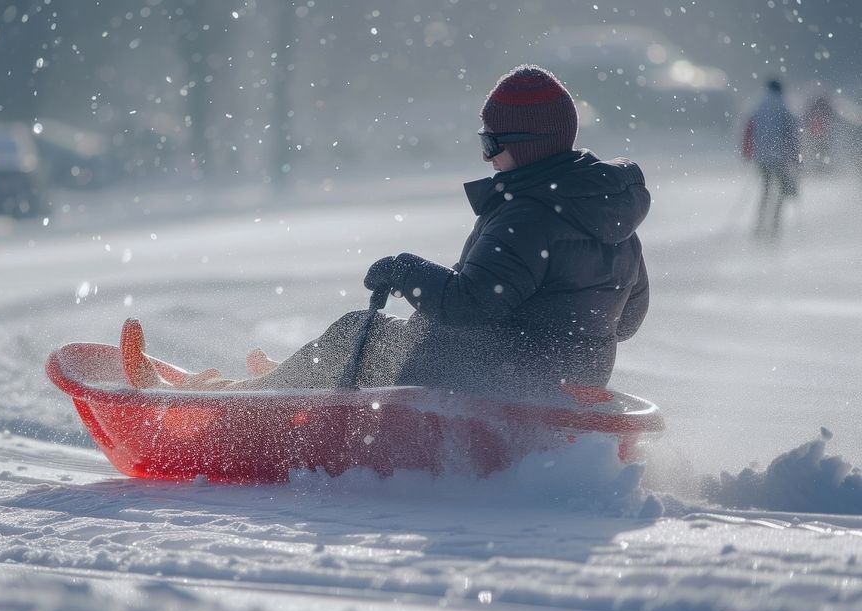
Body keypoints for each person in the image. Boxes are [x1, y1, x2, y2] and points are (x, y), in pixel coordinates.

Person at [122, 65, 650, 395]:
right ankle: (286, 380)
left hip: (505, 382)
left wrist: (406, 270)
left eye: (491, 144)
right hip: (574, 378)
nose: (487, 158)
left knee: (361, 332)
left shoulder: (527, 214)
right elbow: (626, 322)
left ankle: (238, 405)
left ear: (525, 145)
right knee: (397, 337)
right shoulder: (608, 214)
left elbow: (474, 303)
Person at [741, 79, 801, 239]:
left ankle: (759, 224)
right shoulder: (783, 107)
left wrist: (748, 152)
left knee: (765, 190)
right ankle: (775, 224)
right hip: (779, 157)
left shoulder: (758, 106)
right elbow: (791, 134)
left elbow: (749, 130)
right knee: (782, 190)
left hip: (761, 156)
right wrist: (795, 156)